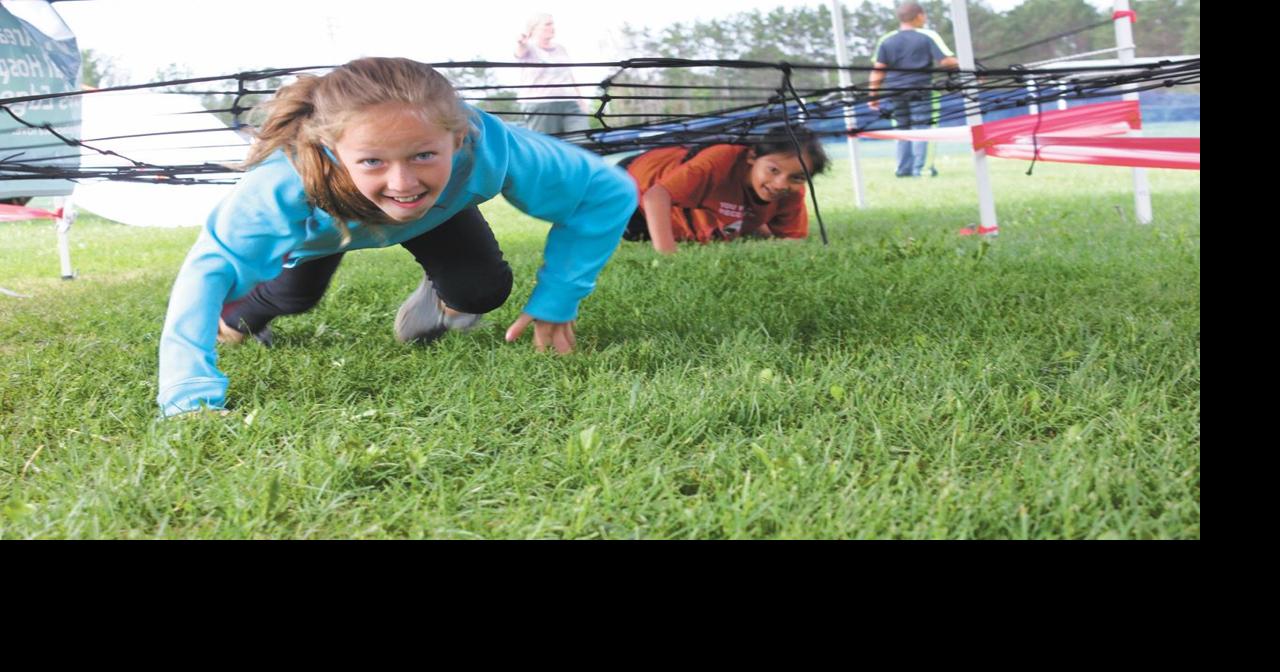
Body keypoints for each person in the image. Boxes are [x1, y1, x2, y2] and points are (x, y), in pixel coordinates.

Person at [156, 57, 636, 417]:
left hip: (438, 216)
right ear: (331, 149)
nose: (403, 182)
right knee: (294, 294)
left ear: (459, 137)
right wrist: (188, 393)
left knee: (482, 290)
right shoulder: (286, 181)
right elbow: (210, 269)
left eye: (424, 154)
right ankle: (239, 323)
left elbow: (604, 192)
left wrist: (559, 297)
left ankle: (439, 300)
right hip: (323, 233)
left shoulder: (489, 143)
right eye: (373, 161)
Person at [620, 127, 829, 254]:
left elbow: (793, 240)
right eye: (773, 170)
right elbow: (656, 197)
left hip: (696, 198)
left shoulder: (792, 191)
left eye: (798, 177)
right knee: (629, 233)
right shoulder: (720, 160)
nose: (781, 184)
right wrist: (667, 255)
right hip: (628, 187)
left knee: (725, 231)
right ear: (752, 157)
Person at [868, 1, 959, 177]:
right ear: (919, 16)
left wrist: (873, 96)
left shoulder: (886, 40)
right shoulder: (927, 35)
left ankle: (903, 169)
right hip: (922, 91)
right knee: (924, 128)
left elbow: (878, 70)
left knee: (902, 129)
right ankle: (923, 169)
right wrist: (968, 65)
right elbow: (946, 61)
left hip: (895, 92)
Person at [514, 13, 591, 135]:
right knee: (547, 146)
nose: (553, 27)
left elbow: (569, 75)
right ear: (534, 28)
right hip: (540, 105)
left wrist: (581, 100)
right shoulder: (528, 48)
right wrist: (520, 42)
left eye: (553, 23)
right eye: (548, 24)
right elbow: (519, 52)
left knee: (582, 140)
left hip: (570, 102)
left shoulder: (561, 48)